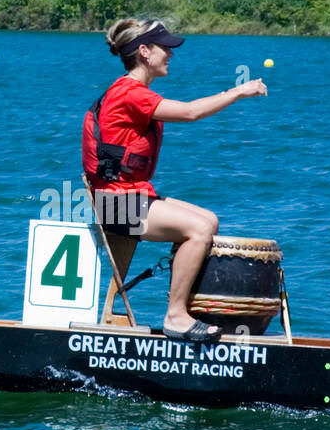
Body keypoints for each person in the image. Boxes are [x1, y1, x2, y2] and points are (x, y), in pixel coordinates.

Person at [82, 18, 266, 342]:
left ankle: (186, 309)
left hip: (126, 197)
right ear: (143, 52)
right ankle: (176, 317)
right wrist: (238, 91)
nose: (170, 54)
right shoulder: (129, 93)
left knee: (209, 220)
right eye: (164, 47)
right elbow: (191, 112)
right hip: (115, 206)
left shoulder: (132, 91)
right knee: (198, 229)